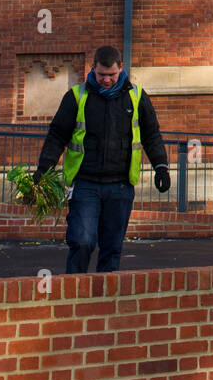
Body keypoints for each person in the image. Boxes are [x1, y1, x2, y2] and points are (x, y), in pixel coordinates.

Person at [35, 45, 170, 273]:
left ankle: (103, 301)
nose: (106, 80)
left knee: (111, 248)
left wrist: (161, 167)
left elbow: (151, 134)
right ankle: (74, 294)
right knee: (83, 241)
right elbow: (57, 135)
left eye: (111, 75)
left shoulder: (136, 97)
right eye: (101, 75)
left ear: (121, 69)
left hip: (120, 185)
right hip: (86, 184)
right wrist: (43, 169)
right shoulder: (77, 97)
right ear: (92, 69)